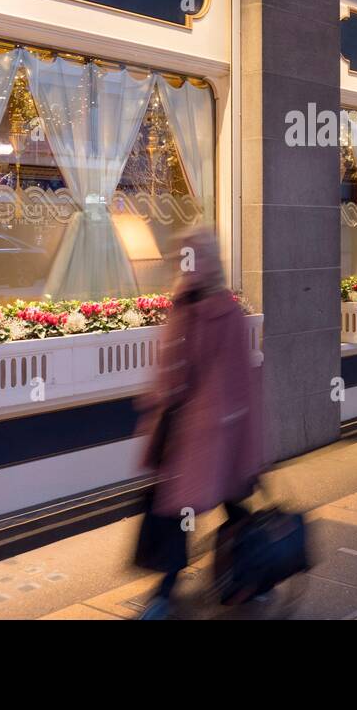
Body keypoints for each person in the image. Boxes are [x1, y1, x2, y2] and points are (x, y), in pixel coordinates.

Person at [134, 229, 264, 620]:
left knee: (215, 505)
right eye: (184, 257)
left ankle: (240, 576)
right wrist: (159, 406)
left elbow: (236, 380)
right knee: (186, 508)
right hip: (187, 431)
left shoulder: (225, 313)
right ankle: (172, 587)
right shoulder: (185, 305)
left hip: (214, 432)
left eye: (195, 256)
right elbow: (169, 368)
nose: (188, 264)